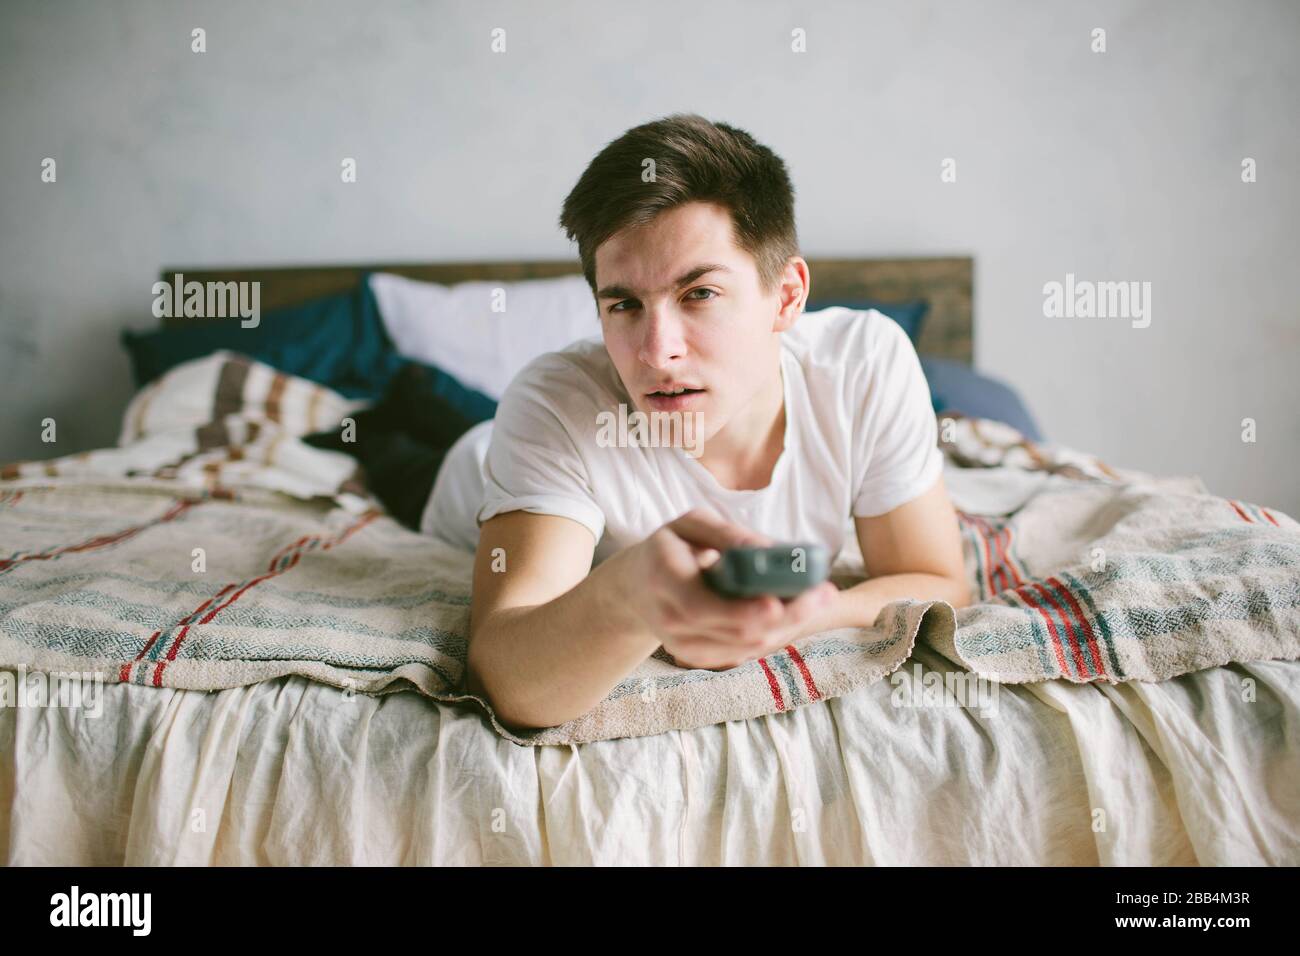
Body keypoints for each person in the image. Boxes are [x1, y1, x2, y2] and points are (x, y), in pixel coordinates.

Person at [429, 113, 972, 731]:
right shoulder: (552, 404)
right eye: (625, 305)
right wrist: (631, 594)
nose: (657, 354)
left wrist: (799, 620)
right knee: (415, 440)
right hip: (470, 472)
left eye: (700, 294)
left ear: (788, 296)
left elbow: (937, 580)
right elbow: (503, 680)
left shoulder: (865, 361)